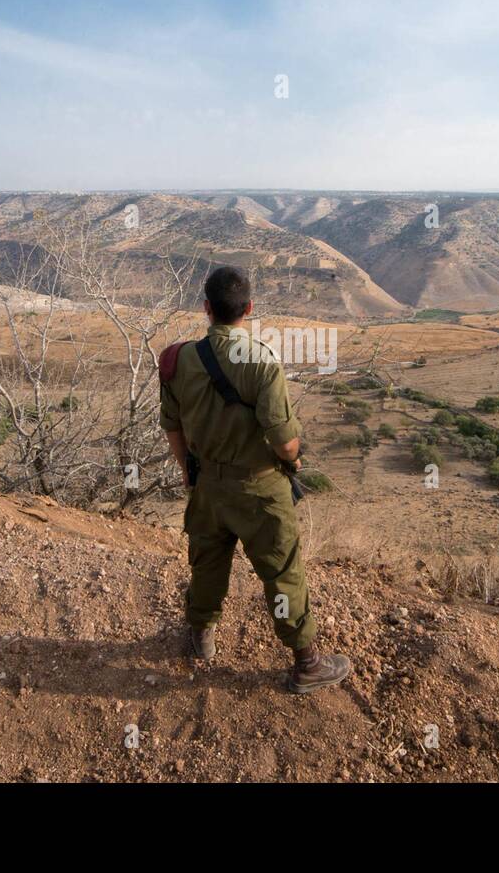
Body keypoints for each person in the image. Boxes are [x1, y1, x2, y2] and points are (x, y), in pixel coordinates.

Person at [159, 265, 351, 694]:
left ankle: (201, 636)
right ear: (249, 309)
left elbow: (172, 425)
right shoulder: (262, 361)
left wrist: (189, 473)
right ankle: (307, 663)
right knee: (281, 573)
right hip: (260, 489)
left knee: (207, 563)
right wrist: (295, 460)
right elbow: (284, 442)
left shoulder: (178, 359)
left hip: (208, 487)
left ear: (206, 308)